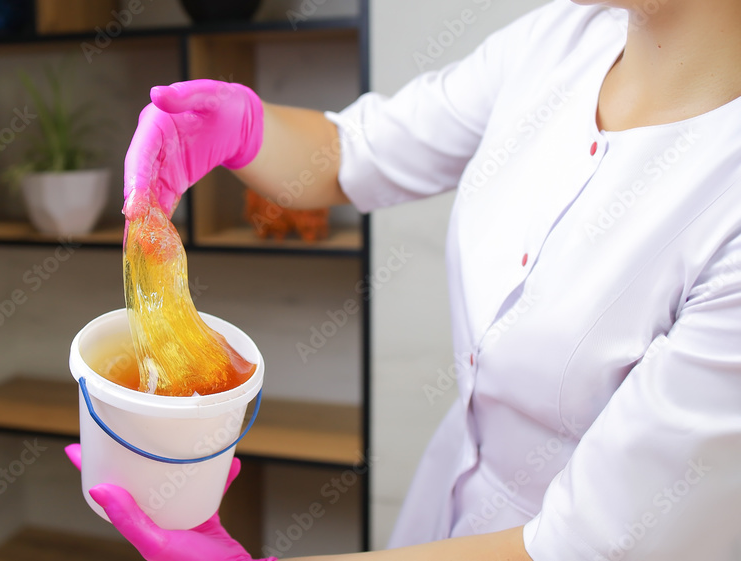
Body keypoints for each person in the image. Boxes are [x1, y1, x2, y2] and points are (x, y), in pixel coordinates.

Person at [67, 0, 741, 559]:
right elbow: (360, 148)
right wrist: (239, 128)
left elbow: (580, 543)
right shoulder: (559, 39)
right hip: (444, 510)